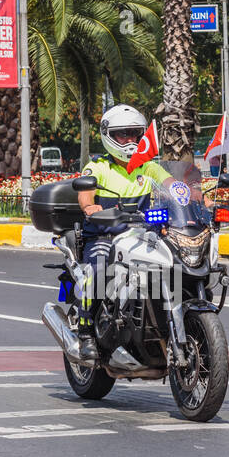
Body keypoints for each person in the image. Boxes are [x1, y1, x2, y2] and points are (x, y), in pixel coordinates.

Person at [75, 104, 183, 360]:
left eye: (135, 134)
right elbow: (85, 195)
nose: (130, 140)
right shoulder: (98, 167)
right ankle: (86, 330)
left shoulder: (147, 167)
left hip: (141, 236)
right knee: (100, 269)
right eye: (123, 134)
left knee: (175, 266)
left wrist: (194, 199)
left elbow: (172, 184)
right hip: (104, 236)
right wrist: (91, 207)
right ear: (108, 136)